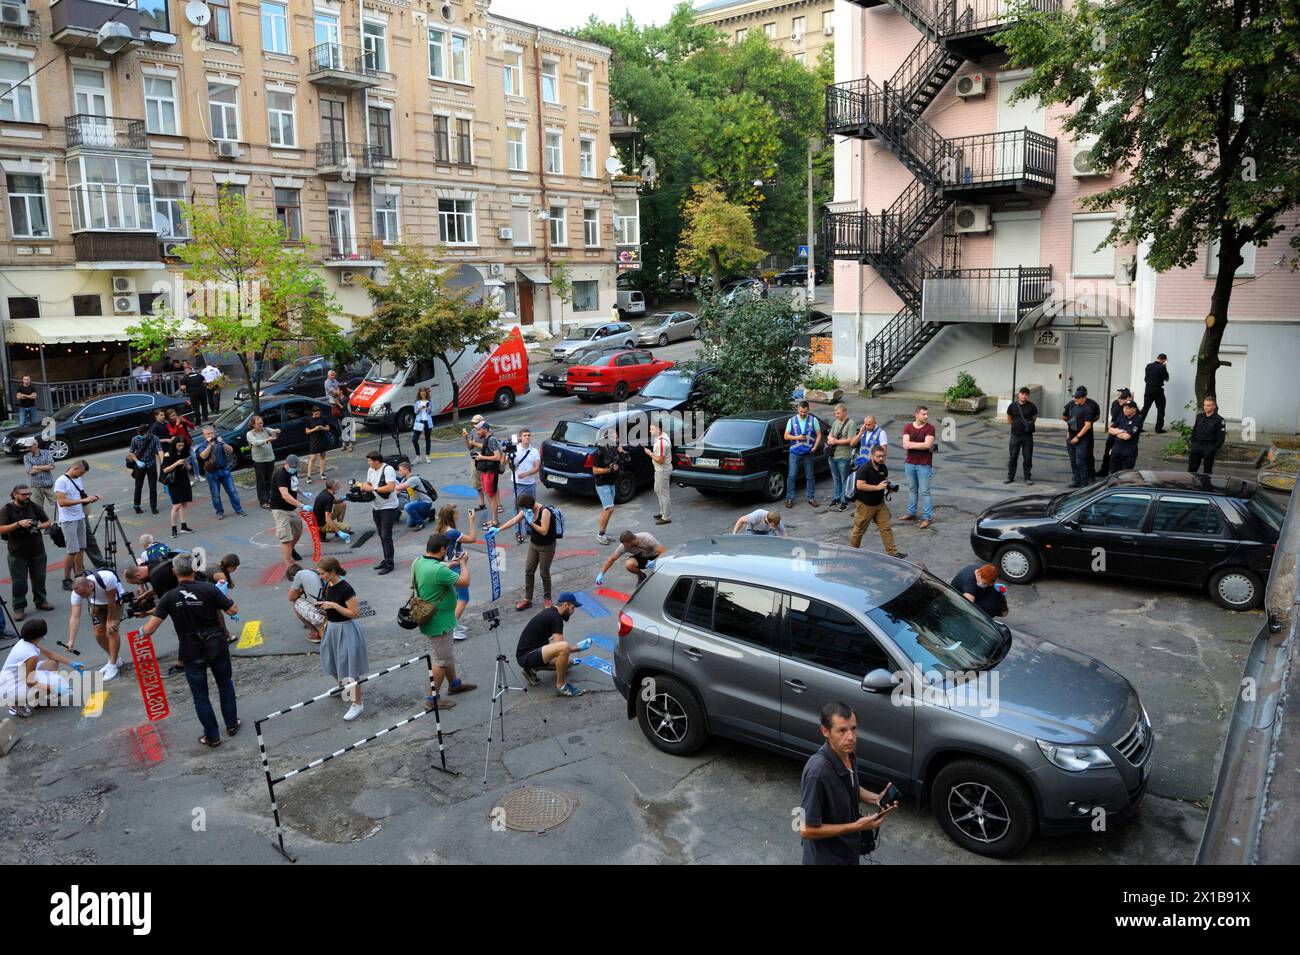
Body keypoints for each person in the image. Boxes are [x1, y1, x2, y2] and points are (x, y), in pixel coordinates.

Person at [139, 554, 240, 747]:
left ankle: (212, 736)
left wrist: (141, 628)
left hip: (191, 649)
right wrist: (223, 595)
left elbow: (149, 630)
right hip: (216, 643)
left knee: (200, 695)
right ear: (194, 570)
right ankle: (231, 724)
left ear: (174, 572)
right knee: (224, 684)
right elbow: (232, 610)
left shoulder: (169, 597)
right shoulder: (209, 589)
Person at [799, 702, 897, 865]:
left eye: (853, 728)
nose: (850, 737)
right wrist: (855, 827)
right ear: (825, 731)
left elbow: (848, 787)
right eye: (842, 730)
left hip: (847, 854)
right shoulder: (817, 774)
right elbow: (805, 829)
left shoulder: (847, 754)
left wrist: (876, 798)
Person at [413, 533, 478, 710]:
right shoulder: (439, 570)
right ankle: (431, 699)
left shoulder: (418, 561)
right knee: (441, 660)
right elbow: (464, 581)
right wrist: (463, 563)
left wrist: (449, 565)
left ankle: (455, 684)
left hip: (433, 617)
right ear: (442, 549)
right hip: (439, 622)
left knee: (446, 654)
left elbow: (433, 573)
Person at [314, 557, 369, 722]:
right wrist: (324, 608)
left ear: (332, 572)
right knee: (331, 660)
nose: (320, 576)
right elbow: (332, 608)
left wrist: (334, 606)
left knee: (350, 667)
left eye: (323, 573)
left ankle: (357, 703)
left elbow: (354, 613)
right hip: (332, 628)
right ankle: (342, 686)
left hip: (346, 629)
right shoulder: (327, 585)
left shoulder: (346, 588)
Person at [2, 620, 83, 718]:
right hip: (9, 687)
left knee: (52, 663)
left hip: (15, 678)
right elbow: (30, 681)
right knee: (55, 682)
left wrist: (72, 664)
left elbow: (51, 654)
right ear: (40, 636)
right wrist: (55, 688)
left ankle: (37, 700)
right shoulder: (31, 655)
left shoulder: (27, 641)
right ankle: (16, 704)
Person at [515, 594, 592, 696]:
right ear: (566, 605)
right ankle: (561, 686)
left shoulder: (551, 612)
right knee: (564, 648)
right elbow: (561, 646)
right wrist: (578, 647)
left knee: (568, 663)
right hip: (526, 656)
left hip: (531, 653)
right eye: (573, 608)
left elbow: (556, 643)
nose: (573, 611)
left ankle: (531, 670)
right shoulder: (555, 617)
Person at [497, 493, 558, 611]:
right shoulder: (527, 510)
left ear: (528, 505)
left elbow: (544, 531)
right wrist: (499, 529)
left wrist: (531, 523)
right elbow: (514, 520)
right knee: (529, 570)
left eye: (523, 508)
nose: (522, 511)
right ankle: (527, 599)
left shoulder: (544, 511)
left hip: (546, 546)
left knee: (544, 573)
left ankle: (547, 598)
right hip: (534, 544)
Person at [1, 484, 53, 620]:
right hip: (17, 553)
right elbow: (1, 529)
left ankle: (41, 601)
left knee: (39, 579)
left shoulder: (33, 506)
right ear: (14, 494)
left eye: (28, 494)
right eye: (23, 494)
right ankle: (19, 608)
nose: (27, 497)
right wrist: (19, 524)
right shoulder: (7, 510)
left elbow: (47, 522)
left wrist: (39, 526)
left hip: (37, 551)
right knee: (19, 583)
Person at [67, 568, 125, 681]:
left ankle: (113, 665)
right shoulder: (77, 592)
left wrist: (109, 621)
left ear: (90, 585)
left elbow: (111, 603)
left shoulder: (106, 578)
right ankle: (115, 659)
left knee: (112, 630)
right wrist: (71, 640)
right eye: (80, 595)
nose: (82, 597)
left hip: (115, 602)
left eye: (84, 593)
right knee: (98, 633)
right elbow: (75, 617)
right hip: (95, 604)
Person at [849, 444, 905, 558]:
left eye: (883, 456)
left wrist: (889, 487)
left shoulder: (883, 467)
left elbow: (885, 480)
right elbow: (860, 485)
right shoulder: (864, 468)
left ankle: (892, 552)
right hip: (865, 505)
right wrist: (877, 487)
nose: (881, 459)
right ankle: (851, 553)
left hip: (879, 504)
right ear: (872, 456)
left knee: (886, 528)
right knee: (859, 530)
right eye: (878, 456)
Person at [434, 504, 478, 640]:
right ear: (451, 516)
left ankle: (454, 624)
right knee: (464, 598)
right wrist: (472, 520)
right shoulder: (452, 532)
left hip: (446, 566)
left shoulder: (440, 530)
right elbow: (472, 538)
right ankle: (452, 628)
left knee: (455, 598)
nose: (458, 515)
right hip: (455, 567)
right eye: (456, 513)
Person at [54, 460, 99, 591]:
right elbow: (61, 502)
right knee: (72, 550)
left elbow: (80, 496)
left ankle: (79, 575)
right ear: (75, 468)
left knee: (81, 548)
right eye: (81, 472)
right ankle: (66, 579)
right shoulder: (61, 481)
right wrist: (83, 500)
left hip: (80, 517)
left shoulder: (77, 479)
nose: (82, 475)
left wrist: (90, 498)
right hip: (68, 520)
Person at [360, 450, 400, 574]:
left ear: (377, 460)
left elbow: (391, 487)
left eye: (369, 460)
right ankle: (386, 559)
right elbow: (369, 482)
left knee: (386, 536)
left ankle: (389, 564)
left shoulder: (388, 469)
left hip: (388, 507)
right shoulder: (371, 470)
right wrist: (364, 487)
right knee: (381, 535)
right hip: (376, 507)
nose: (368, 463)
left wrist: (373, 489)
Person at [198, 425, 245, 519]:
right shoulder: (203, 445)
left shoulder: (220, 442)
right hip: (212, 473)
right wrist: (209, 446)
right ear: (204, 435)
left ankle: (239, 509)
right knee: (215, 494)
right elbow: (203, 456)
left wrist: (223, 443)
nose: (210, 435)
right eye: (208, 434)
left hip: (224, 469)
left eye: (211, 433)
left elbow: (230, 451)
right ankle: (219, 512)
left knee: (232, 491)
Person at [900, 406, 935, 528]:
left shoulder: (930, 428)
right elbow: (905, 445)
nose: (926, 416)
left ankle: (927, 517)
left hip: (924, 464)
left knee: (925, 491)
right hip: (910, 463)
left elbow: (927, 445)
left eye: (926, 414)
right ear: (916, 414)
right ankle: (911, 513)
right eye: (923, 414)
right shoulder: (908, 427)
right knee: (912, 489)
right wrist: (920, 445)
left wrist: (911, 445)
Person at [591, 428, 627, 545]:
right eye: (613, 436)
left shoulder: (615, 449)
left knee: (608, 509)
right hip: (602, 483)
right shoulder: (598, 452)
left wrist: (622, 452)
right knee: (609, 508)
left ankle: (603, 533)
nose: (616, 438)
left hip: (611, 482)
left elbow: (628, 459)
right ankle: (600, 534)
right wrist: (609, 469)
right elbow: (595, 471)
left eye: (616, 436)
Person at [783, 400, 822, 509]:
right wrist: (797, 437)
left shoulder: (813, 420)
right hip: (795, 452)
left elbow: (819, 435)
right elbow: (786, 436)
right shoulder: (791, 420)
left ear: (808, 410)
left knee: (810, 476)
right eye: (800, 411)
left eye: (804, 412)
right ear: (798, 409)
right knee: (792, 475)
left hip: (808, 453)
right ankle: (789, 498)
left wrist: (815, 447)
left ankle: (811, 497)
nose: (802, 414)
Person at [271, 454, 306, 566]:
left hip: (291, 508)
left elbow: (294, 484)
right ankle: (288, 566)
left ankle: (291, 550)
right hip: (280, 510)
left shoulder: (293, 471)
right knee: (286, 539)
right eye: (291, 467)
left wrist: (302, 493)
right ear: (285, 463)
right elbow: (285, 495)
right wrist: (302, 505)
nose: (293, 469)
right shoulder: (280, 474)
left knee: (297, 530)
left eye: (295, 467)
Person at [1062, 386, 1101, 488]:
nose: (1076, 399)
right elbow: (1068, 419)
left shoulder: (1088, 408)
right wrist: (1069, 433)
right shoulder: (1073, 406)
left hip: (1082, 438)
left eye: (1078, 398)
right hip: (1071, 436)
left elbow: (1088, 425)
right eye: (1075, 397)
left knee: (1081, 461)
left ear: (1084, 398)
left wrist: (1078, 437)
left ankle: (1085, 483)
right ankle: (1077, 480)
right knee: (1073, 460)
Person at [596, 530, 665, 586]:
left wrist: (655, 561)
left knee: (662, 572)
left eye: (625, 545)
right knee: (629, 564)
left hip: (656, 556)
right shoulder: (624, 545)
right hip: (642, 557)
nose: (624, 546)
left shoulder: (646, 538)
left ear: (632, 541)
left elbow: (664, 552)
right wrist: (602, 573)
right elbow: (612, 559)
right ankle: (641, 575)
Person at [469, 419, 504, 525]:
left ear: (485, 429)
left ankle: (495, 520)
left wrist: (481, 457)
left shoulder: (491, 440)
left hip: (491, 473)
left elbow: (497, 456)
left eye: (479, 430)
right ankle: (493, 519)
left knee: (492, 497)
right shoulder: (486, 439)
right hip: (486, 472)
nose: (477, 432)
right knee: (489, 496)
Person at [825, 404, 857, 511]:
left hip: (843, 456)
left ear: (844, 412)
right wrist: (830, 439)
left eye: (838, 413)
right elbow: (830, 435)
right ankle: (837, 498)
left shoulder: (851, 424)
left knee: (844, 479)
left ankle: (845, 501)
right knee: (836, 478)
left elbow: (851, 440)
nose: (836, 415)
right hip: (832, 456)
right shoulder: (835, 423)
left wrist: (836, 441)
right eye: (835, 413)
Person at [161, 438, 195, 537]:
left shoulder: (183, 453)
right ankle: (173, 529)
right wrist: (176, 463)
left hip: (184, 480)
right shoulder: (168, 454)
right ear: (174, 445)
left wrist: (186, 464)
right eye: (179, 445)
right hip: (173, 482)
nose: (181, 448)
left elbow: (189, 468)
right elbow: (165, 470)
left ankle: (184, 526)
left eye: (182, 446)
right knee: (176, 506)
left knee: (184, 503)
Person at [1004, 387, 1038, 485]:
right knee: (1013, 457)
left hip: (1027, 436)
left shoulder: (1032, 406)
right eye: (1022, 394)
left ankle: (1027, 477)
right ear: (1018, 394)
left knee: (1027, 457)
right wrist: (1015, 426)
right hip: (1015, 435)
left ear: (1028, 396)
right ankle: (1010, 476)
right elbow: (1009, 418)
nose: (1024, 396)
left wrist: (1027, 425)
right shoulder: (1012, 406)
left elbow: (1034, 418)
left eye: (1026, 394)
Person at [1098, 387, 1133, 478]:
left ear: (1129, 398)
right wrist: (1114, 430)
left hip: (1122, 437)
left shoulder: (1130, 408)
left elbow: (1128, 430)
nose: (1119, 398)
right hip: (1114, 432)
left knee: (1117, 457)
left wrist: (1117, 431)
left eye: (1121, 397)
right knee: (1107, 453)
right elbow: (1113, 421)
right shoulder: (1116, 404)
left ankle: (1117, 475)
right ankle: (1104, 470)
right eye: (1118, 396)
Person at [286, 562, 325, 643]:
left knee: (295, 602)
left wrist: (299, 590)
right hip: (337, 611)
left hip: (325, 616)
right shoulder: (313, 571)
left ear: (294, 577)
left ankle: (315, 634)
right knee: (306, 599)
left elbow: (291, 597)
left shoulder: (299, 575)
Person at [247, 414, 280, 508]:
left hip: (270, 458)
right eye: (258, 424)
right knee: (261, 481)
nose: (261, 425)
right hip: (259, 461)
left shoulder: (265, 429)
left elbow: (274, 431)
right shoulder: (250, 433)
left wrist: (276, 431)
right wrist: (267, 439)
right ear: (253, 424)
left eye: (261, 423)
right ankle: (263, 501)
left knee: (269, 480)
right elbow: (255, 442)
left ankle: (269, 498)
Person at [127, 423, 161, 515]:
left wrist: (163, 461)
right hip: (140, 465)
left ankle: (153, 507)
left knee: (153, 487)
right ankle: (136, 506)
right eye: (140, 434)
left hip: (151, 464)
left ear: (147, 432)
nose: (141, 436)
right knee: (138, 486)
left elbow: (159, 450)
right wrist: (137, 461)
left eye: (143, 434)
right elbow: (131, 452)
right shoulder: (135, 439)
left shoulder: (154, 438)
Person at [1188, 396, 1227, 475]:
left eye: (1208, 405)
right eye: (1205, 405)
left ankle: (1206, 486)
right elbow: (1194, 430)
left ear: (1214, 407)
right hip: (1197, 446)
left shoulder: (1219, 420)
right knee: (1191, 471)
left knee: (1207, 472)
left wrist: (1213, 449)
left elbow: (1221, 438)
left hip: (1208, 447)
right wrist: (1193, 443)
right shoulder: (1199, 417)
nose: (1206, 407)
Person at [645, 418, 673, 524]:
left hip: (662, 470)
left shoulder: (661, 443)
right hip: (660, 469)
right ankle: (662, 512)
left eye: (652, 429)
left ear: (658, 429)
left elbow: (660, 460)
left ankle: (666, 517)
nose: (650, 431)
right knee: (657, 490)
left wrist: (650, 453)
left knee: (664, 493)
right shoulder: (663, 436)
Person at [396, 459, 437, 529]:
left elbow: (399, 487)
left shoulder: (414, 479)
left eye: (400, 470)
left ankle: (420, 523)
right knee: (410, 524)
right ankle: (430, 513)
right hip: (415, 503)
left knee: (407, 507)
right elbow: (397, 491)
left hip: (425, 502)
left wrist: (389, 485)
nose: (398, 472)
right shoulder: (404, 480)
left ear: (406, 470)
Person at [22, 438, 57, 512]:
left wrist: (36, 467)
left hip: (48, 484)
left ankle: (62, 521)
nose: (28, 448)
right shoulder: (26, 457)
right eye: (27, 447)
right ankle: (43, 523)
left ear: (35, 445)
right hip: (36, 486)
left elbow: (52, 466)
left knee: (58, 504)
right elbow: (30, 471)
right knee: (37, 508)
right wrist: (45, 467)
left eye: (29, 446)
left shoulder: (46, 453)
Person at [1108, 400, 1143, 472]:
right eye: (1124, 408)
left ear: (1134, 409)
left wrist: (1116, 432)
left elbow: (1126, 436)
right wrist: (1122, 431)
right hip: (1116, 450)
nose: (1125, 410)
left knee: (1125, 476)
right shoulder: (1121, 417)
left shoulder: (1137, 420)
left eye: (1128, 408)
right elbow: (1110, 429)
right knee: (1113, 474)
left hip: (1128, 453)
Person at [462, 414, 487, 512]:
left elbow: (487, 446)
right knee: (476, 482)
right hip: (475, 458)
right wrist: (466, 438)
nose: (474, 425)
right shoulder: (473, 431)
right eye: (473, 423)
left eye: (476, 423)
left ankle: (498, 504)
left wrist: (474, 443)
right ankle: (482, 503)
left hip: (486, 458)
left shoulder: (487, 432)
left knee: (490, 482)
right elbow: (469, 447)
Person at [166, 407, 199, 480]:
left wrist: (185, 421)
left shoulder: (181, 418)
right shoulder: (169, 424)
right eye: (172, 416)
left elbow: (192, 426)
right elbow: (173, 432)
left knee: (194, 459)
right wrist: (177, 424)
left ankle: (197, 476)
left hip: (187, 442)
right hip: (179, 446)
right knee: (183, 462)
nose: (174, 417)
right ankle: (187, 479)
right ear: (169, 417)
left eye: (174, 415)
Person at [313, 477, 350, 542]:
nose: (339, 487)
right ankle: (324, 531)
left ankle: (337, 528)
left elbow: (334, 501)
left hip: (321, 518)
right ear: (334, 487)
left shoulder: (327, 491)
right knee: (347, 528)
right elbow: (328, 519)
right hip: (321, 524)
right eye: (338, 485)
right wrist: (339, 532)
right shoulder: (328, 498)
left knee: (342, 505)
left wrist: (344, 498)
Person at [1141, 353, 1169, 433]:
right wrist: (1165, 368)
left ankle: (1138, 427)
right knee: (1161, 409)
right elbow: (1167, 378)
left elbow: (1146, 378)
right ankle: (1158, 428)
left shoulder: (1148, 366)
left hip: (1148, 389)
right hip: (1157, 389)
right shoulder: (1162, 367)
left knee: (1145, 408)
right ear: (1163, 360)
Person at [303, 406, 333, 483]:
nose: (318, 415)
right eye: (316, 414)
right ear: (313, 413)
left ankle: (322, 473)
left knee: (323, 456)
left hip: (322, 439)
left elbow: (328, 428)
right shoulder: (309, 420)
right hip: (314, 441)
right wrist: (315, 429)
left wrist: (322, 428)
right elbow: (307, 431)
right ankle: (309, 476)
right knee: (312, 458)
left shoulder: (323, 418)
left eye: (319, 414)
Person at [412, 386, 435, 463]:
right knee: (414, 439)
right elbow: (415, 412)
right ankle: (418, 456)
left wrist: (428, 409)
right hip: (419, 421)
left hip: (427, 422)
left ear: (426, 393)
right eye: (421, 393)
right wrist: (418, 409)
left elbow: (432, 411)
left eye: (424, 393)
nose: (423, 394)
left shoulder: (430, 401)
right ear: (419, 394)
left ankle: (427, 456)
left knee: (427, 439)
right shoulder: (417, 402)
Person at [329, 384, 354, 453]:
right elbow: (333, 402)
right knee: (342, 430)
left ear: (341, 391)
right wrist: (333, 399)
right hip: (340, 415)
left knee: (348, 430)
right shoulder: (338, 397)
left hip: (346, 415)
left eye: (338, 389)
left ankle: (350, 445)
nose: (337, 390)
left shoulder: (346, 398)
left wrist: (337, 402)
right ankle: (344, 444)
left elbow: (343, 407)